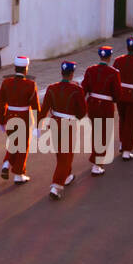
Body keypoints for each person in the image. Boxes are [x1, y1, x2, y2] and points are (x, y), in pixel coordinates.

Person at [39, 61, 87, 200]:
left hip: (53, 123)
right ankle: (56, 186)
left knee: (61, 154)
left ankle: (67, 175)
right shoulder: (77, 90)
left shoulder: (51, 88)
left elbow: (44, 110)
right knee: (65, 156)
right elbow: (82, 112)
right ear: (72, 74)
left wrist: (39, 125)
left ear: (61, 73)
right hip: (68, 125)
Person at [0, 55, 40, 184]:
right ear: (25, 69)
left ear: (15, 68)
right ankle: (18, 175)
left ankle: (6, 163)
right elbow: (35, 107)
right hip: (23, 118)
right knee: (22, 146)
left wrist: (1, 120)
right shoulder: (30, 85)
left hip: (9, 116)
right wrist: (38, 125)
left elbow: (0, 103)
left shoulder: (6, 83)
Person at [81, 46, 121, 174]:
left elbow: (84, 88)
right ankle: (97, 164)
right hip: (105, 105)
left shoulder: (90, 70)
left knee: (96, 132)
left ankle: (95, 157)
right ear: (109, 57)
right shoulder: (114, 72)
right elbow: (117, 94)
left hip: (92, 104)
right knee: (103, 134)